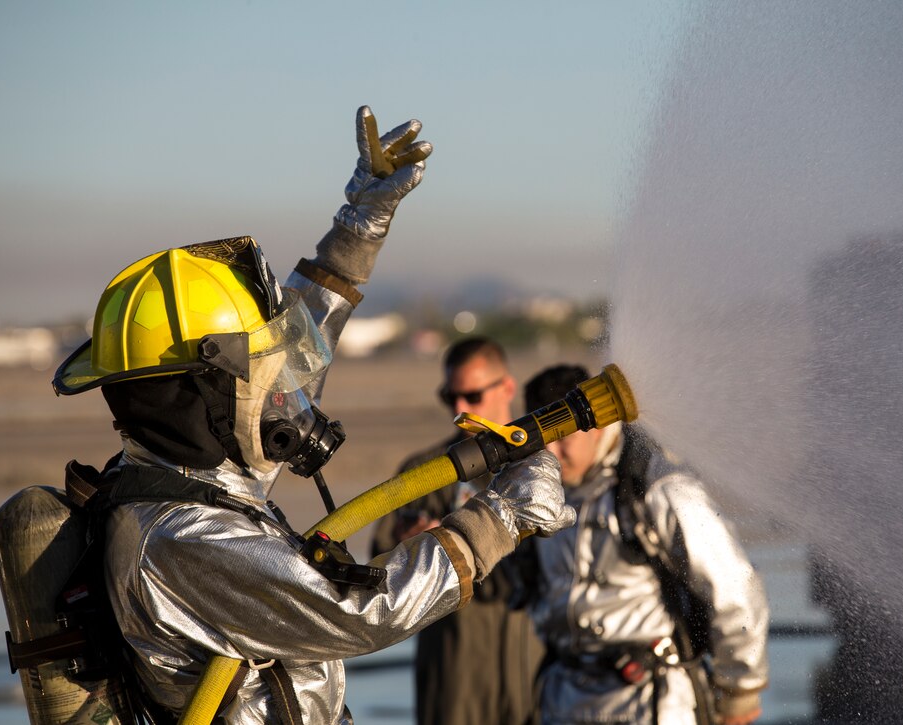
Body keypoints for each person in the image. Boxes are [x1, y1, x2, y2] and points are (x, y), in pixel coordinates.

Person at [49, 107, 575, 724]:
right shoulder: (182, 537)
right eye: (256, 376)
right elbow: (357, 612)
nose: (283, 395)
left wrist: (361, 223)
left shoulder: (191, 476)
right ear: (204, 395)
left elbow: (294, 349)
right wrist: (502, 516)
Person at [513, 364, 770, 725]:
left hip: (653, 702)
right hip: (563, 699)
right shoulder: (533, 493)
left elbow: (734, 587)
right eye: (541, 442)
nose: (551, 455)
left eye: (562, 437)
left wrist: (739, 691)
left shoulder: (659, 488)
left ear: (597, 423)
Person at [369, 337, 544, 725]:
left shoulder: (539, 472)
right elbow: (377, 570)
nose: (460, 410)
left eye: (473, 396)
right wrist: (421, 547)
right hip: (454, 672)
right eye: (450, 398)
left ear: (507, 388)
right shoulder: (424, 470)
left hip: (532, 668)